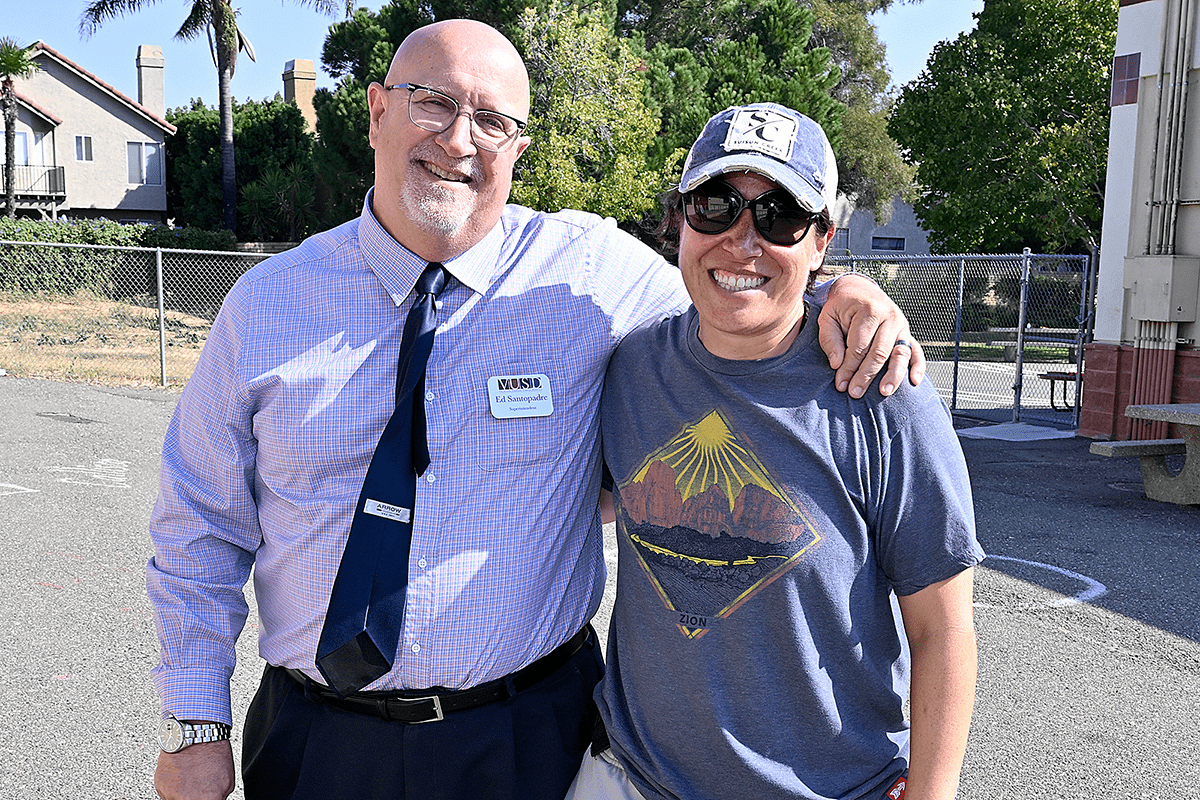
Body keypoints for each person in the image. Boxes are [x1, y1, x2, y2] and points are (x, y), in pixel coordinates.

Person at [148, 20, 925, 800]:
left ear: (517, 149)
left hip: (529, 739)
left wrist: (843, 294)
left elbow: (736, 289)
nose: (459, 139)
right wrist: (196, 727)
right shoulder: (267, 304)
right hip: (318, 741)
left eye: (492, 121)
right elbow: (199, 523)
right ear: (378, 111)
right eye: (433, 103)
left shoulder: (590, 275)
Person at [575, 104, 983, 800]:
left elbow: (942, 630)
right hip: (633, 778)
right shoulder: (630, 366)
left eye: (780, 217)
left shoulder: (882, 392)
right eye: (716, 205)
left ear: (821, 240)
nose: (743, 241)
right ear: (680, 219)